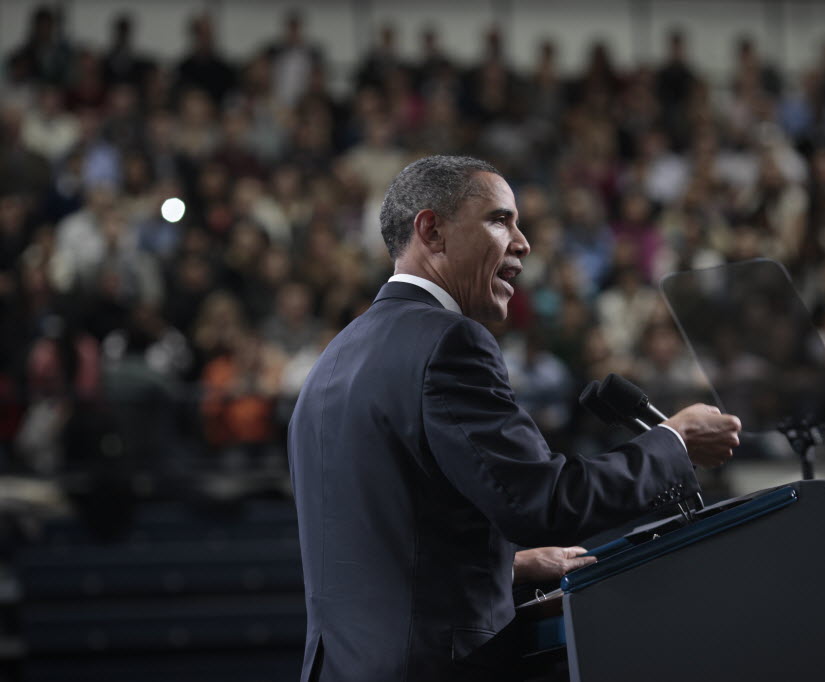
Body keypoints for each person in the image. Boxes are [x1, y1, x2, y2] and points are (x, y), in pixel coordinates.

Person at [287, 155, 742, 681]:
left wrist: (506, 567)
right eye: (500, 220)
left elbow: (381, 545)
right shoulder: (448, 342)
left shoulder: (335, 358)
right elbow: (542, 500)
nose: (523, 243)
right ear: (431, 230)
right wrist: (674, 441)